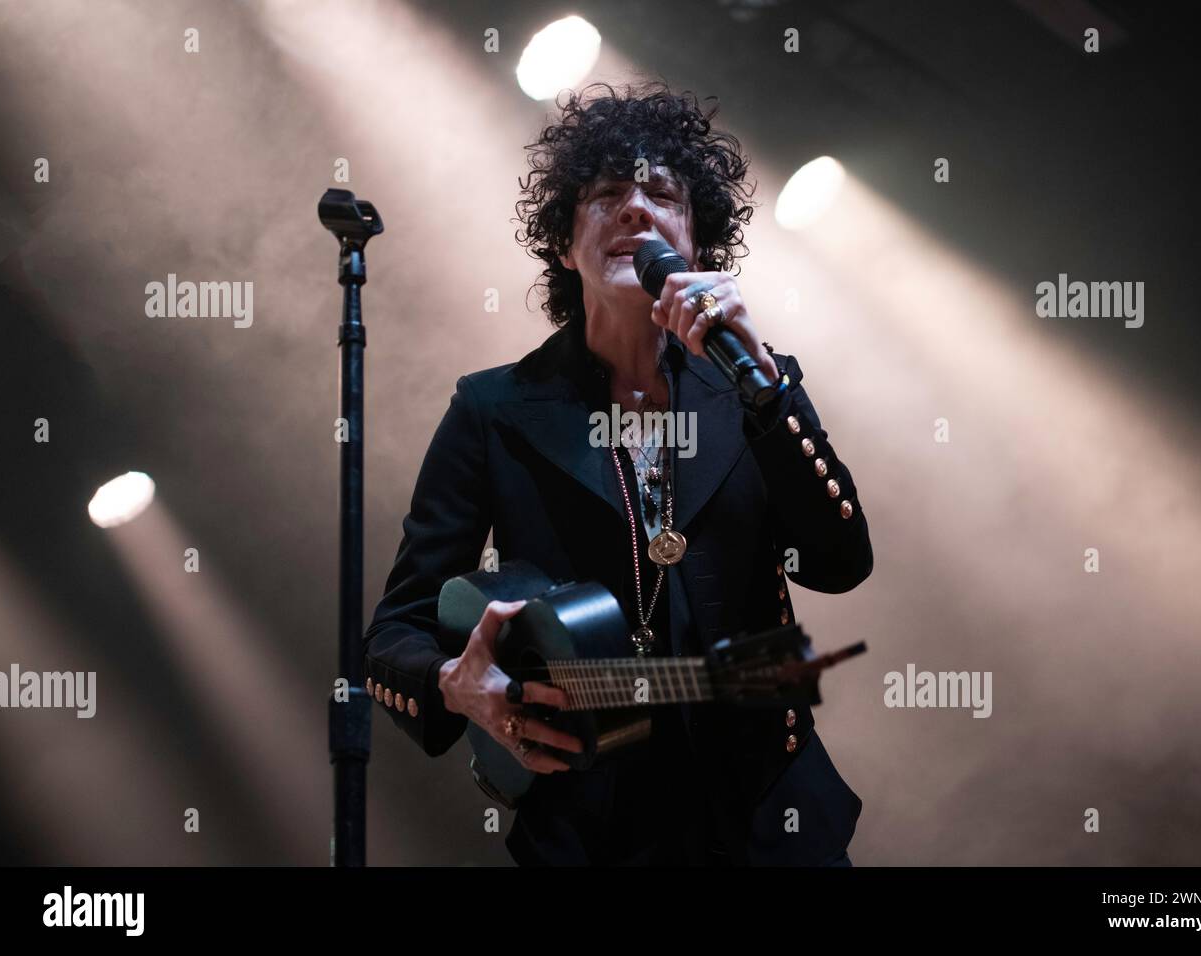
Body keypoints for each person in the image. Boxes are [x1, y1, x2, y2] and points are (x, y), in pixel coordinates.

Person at [362, 82, 874, 866]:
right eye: (607, 194)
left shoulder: (759, 387)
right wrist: (459, 686)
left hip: (770, 820)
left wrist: (766, 383)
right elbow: (393, 634)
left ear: (697, 245)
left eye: (662, 193)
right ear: (565, 245)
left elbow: (840, 563)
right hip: (588, 832)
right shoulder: (493, 409)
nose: (636, 208)